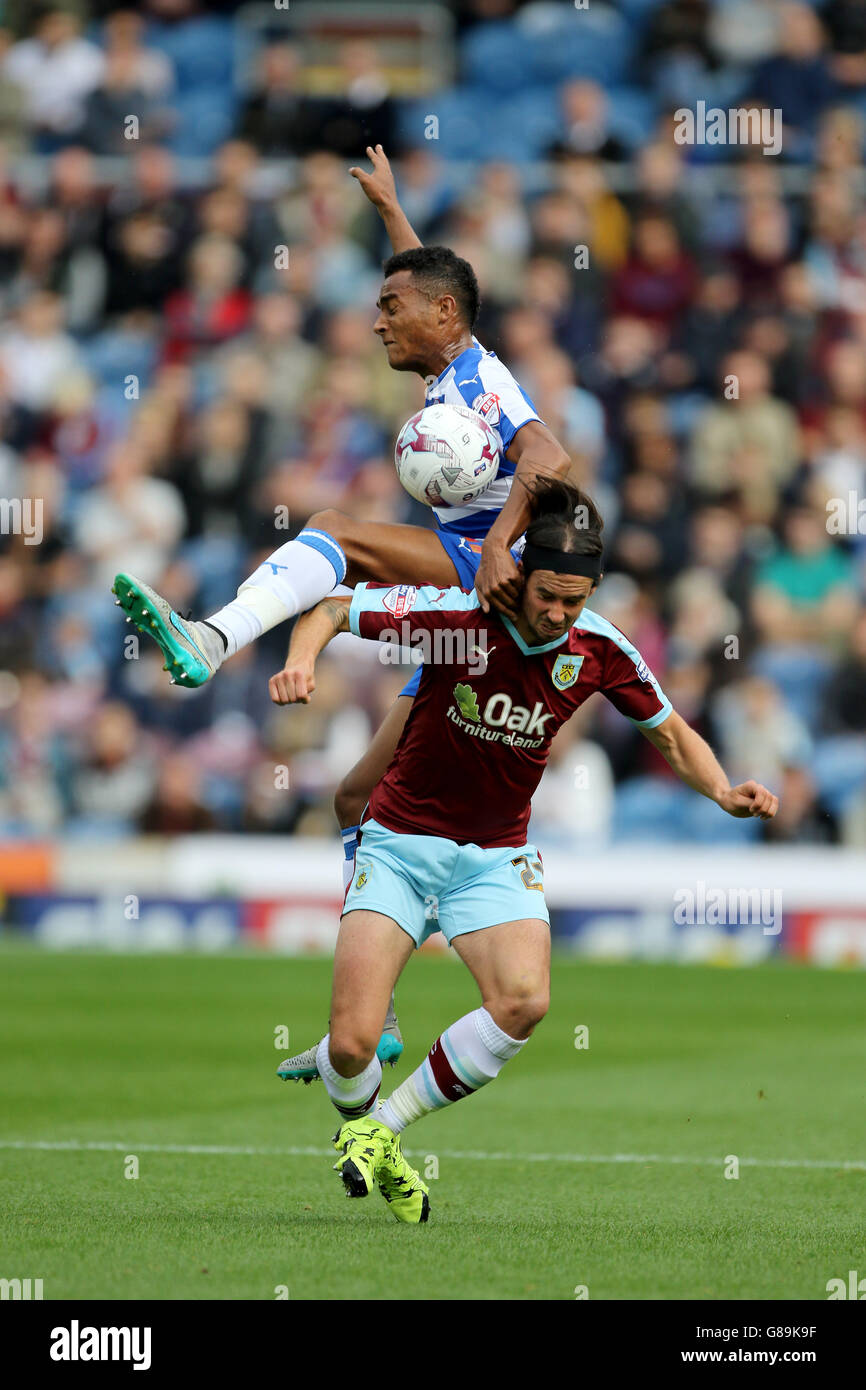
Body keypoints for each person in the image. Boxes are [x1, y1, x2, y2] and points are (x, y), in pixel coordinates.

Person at [112, 147, 571, 1068]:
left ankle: (210, 639)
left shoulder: (481, 383)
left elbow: (551, 458)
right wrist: (392, 212)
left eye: (388, 310)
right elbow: (432, 284)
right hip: (466, 618)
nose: (374, 325)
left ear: (443, 318)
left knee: (335, 528)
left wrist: (490, 544)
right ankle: (383, 1014)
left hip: (502, 586)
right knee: (356, 794)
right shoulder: (456, 354)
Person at [273, 479, 779, 1223]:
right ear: (520, 574)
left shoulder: (599, 648)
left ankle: (383, 1130)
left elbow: (670, 731)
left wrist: (723, 790)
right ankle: (355, 1113)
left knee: (526, 1000)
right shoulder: (460, 619)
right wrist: (301, 661)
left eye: (575, 601)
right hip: (403, 843)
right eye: (547, 596)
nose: (558, 613)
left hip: (495, 853)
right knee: (352, 1047)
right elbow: (336, 606)